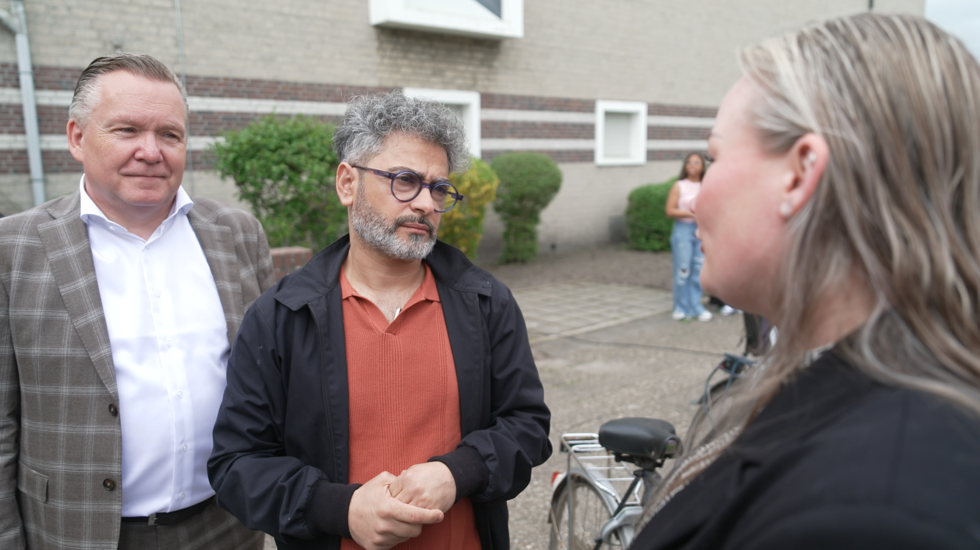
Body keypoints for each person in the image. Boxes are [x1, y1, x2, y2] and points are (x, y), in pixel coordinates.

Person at [632, 13, 980, 549]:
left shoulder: (867, 513)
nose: (700, 197)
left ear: (799, 173)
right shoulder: (877, 393)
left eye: (717, 154)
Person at [208, 91, 552, 550]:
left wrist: (458, 472)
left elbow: (527, 426)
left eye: (439, 188)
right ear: (347, 184)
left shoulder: (486, 303)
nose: (426, 203)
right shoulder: (281, 317)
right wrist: (340, 508)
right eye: (405, 180)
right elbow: (237, 465)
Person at [0, 54, 273, 550]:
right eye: (127, 130)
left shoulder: (237, 234)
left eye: (169, 134)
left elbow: (267, 382)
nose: (151, 152)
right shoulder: (13, 249)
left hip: (227, 526)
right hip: (78, 532)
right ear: (77, 138)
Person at [665, 153, 712, 322]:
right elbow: (670, 210)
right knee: (683, 270)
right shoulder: (679, 185)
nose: (692, 165)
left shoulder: (706, 185)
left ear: (702, 166)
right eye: (689, 162)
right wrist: (691, 213)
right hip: (683, 231)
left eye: (696, 162)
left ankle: (695, 306)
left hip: (700, 232)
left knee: (698, 270)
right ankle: (680, 306)